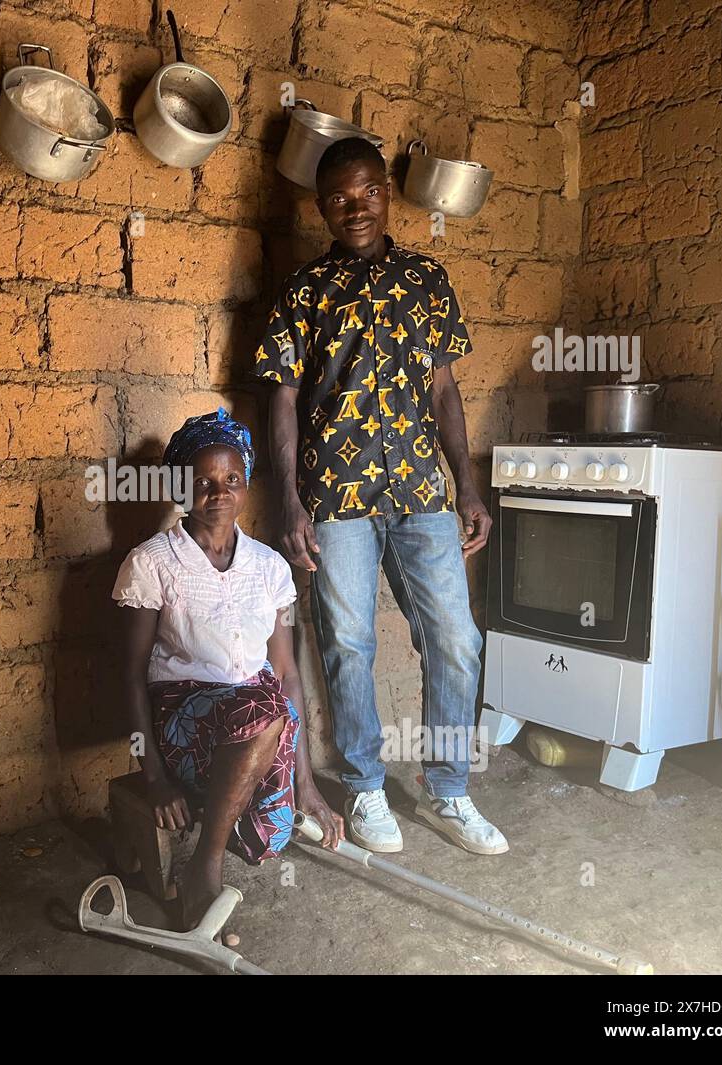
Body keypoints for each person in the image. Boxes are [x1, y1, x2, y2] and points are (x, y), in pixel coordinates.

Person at [253, 136, 509, 856]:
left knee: (457, 639)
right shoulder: (305, 291)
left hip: (421, 491)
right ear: (321, 207)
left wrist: (467, 482)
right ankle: (365, 786)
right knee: (349, 642)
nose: (353, 208)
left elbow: (444, 390)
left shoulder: (427, 278)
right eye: (337, 197)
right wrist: (289, 504)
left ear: (386, 195)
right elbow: (282, 399)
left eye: (366, 192)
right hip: (336, 494)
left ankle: (449, 789)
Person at [114, 409, 344, 928]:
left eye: (232, 480)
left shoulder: (269, 566)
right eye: (204, 482)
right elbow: (130, 674)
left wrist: (307, 785)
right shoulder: (152, 562)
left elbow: (285, 673)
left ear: (245, 487)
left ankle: (239, 813)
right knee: (264, 711)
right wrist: (153, 777)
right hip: (185, 719)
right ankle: (205, 867)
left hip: (262, 714)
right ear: (180, 487)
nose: (219, 493)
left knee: (271, 838)